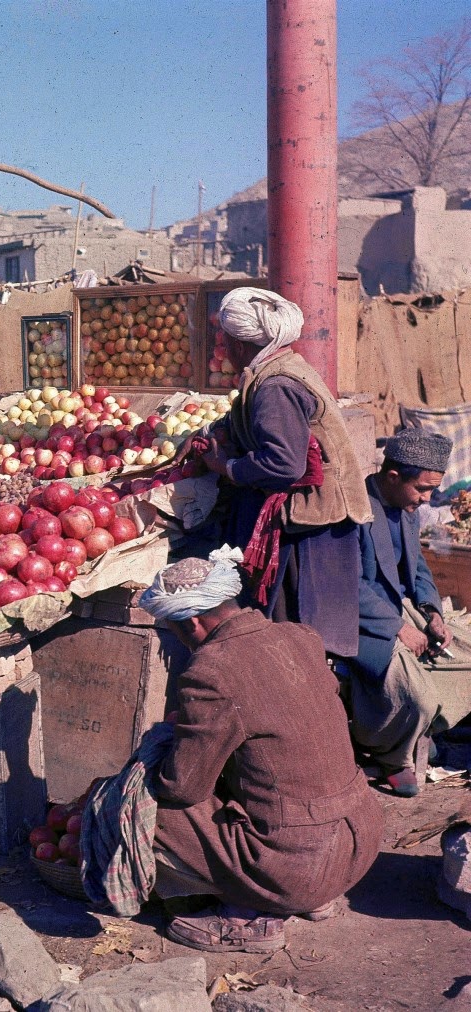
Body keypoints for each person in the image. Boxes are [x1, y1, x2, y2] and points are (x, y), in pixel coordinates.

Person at [139, 550, 383, 954]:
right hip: (359, 842)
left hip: (297, 868)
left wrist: (161, 750)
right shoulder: (300, 636)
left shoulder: (208, 672)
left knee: (143, 807)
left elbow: (183, 789)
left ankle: (247, 914)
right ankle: (310, 895)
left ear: (194, 623)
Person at [194, 287, 373, 660]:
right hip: (309, 515)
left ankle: (302, 701)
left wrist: (225, 467)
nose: (222, 347)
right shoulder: (279, 367)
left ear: (239, 342)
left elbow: (283, 463)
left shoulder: (276, 385)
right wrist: (220, 430)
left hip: (308, 525)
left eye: (224, 339)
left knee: (297, 632)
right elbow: (258, 424)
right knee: (299, 635)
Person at [348, 429, 471, 797]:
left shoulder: (407, 510)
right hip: (360, 622)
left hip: (401, 611)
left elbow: (418, 571)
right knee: (414, 693)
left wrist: (432, 612)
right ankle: (392, 755)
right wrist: (398, 627)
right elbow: (346, 587)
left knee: (464, 650)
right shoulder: (352, 512)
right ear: (392, 477)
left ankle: (424, 730)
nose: (428, 499)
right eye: (422, 489)